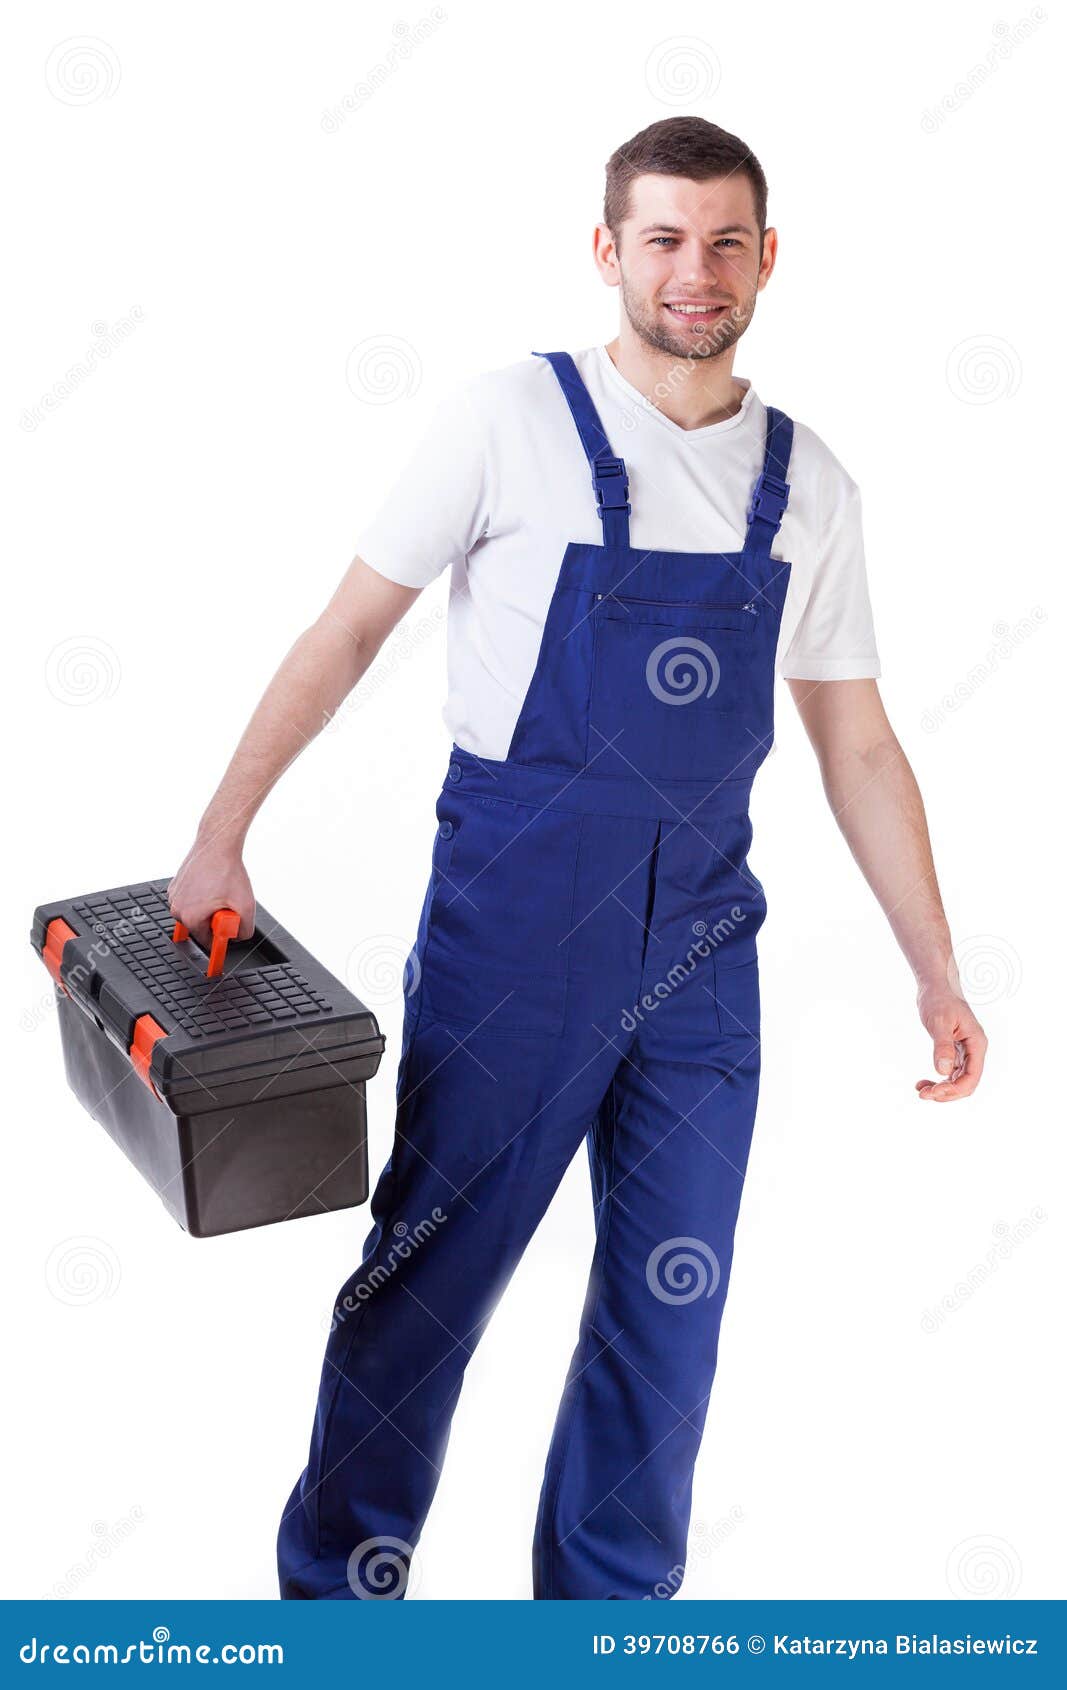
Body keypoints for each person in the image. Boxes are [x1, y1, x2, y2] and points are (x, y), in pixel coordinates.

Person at [168, 116, 987, 1601]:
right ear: (608, 251)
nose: (697, 269)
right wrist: (224, 833)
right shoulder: (509, 422)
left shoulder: (813, 487)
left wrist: (935, 964)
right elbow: (347, 630)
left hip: (702, 960)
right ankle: (340, 1611)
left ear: (768, 260)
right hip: (515, 930)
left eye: (727, 239)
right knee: (428, 1283)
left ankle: (604, 1627)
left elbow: (858, 744)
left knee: (668, 1317)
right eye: (665, 237)